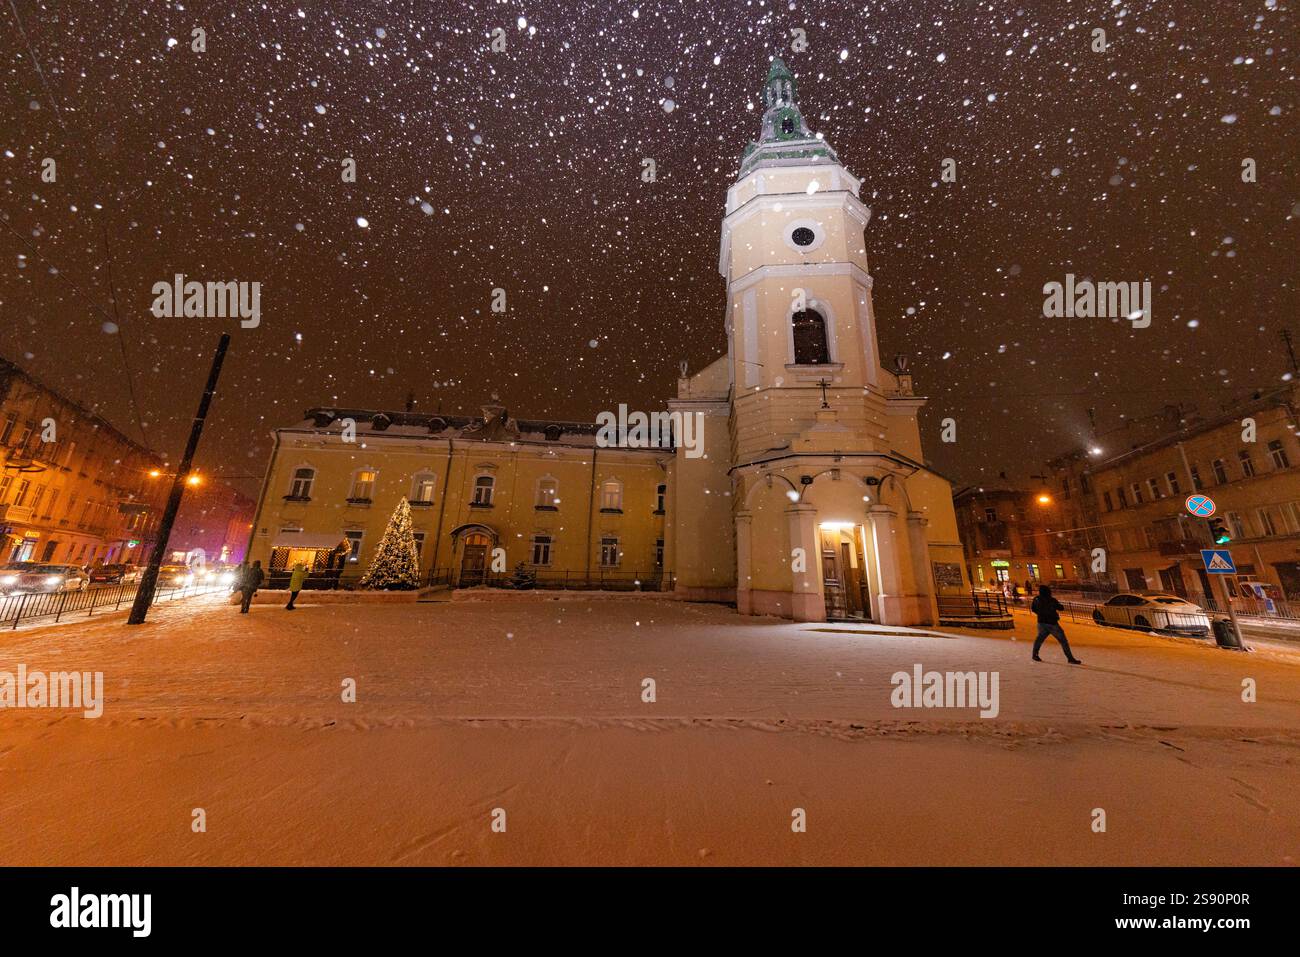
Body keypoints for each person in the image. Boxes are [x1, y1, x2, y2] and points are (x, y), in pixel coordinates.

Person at [1031, 584, 1081, 664]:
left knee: (1039, 639)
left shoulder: (1036, 599)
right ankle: (1070, 658)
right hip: (1052, 623)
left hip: (1041, 622)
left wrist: (1040, 614)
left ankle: (1034, 654)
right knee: (1063, 641)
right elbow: (1061, 608)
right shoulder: (1051, 600)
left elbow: (1033, 609)